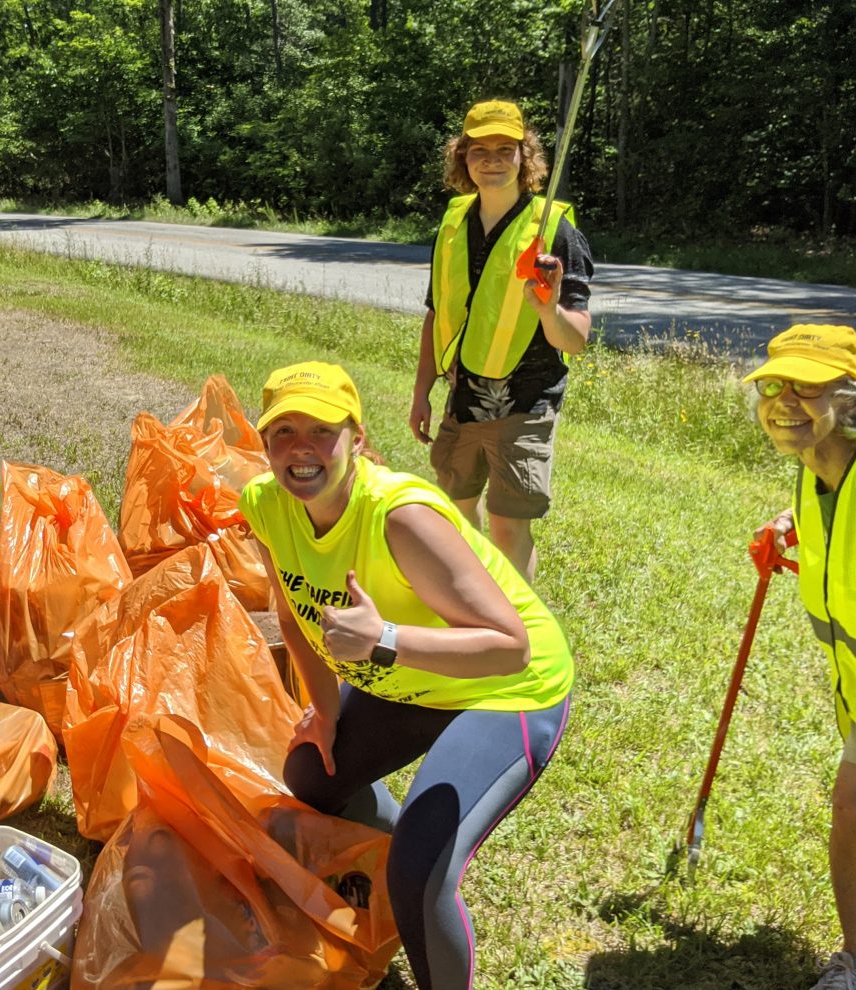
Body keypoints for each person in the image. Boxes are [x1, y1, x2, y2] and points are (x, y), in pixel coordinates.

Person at [239, 361, 574, 990]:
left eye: (322, 430)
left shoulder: (400, 517)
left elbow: (511, 648)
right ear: (265, 445)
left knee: (420, 874)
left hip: (506, 689)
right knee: (311, 774)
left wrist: (385, 641)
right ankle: (404, 839)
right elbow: (290, 610)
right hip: (410, 681)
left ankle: (418, 867)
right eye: (283, 432)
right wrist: (326, 714)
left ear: (357, 438)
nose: (301, 448)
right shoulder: (265, 505)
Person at [746, 325, 856, 990]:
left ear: (852, 400)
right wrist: (791, 526)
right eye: (773, 384)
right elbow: (846, 517)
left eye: (807, 386)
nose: (783, 400)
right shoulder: (817, 467)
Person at [409, 99, 594, 580]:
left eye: (504, 149)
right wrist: (422, 391)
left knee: (509, 528)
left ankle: (516, 618)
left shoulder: (554, 230)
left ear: (523, 156)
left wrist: (548, 309)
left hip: (526, 402)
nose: (491, 160)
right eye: (479, 150)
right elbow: (437, 312)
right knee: (456, 514)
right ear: (463, 157)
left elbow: (576, 339)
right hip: (462, 397)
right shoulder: (454, 223)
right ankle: (472, 601)